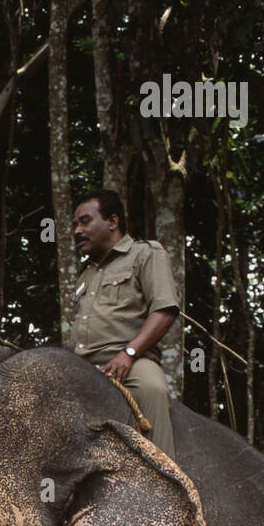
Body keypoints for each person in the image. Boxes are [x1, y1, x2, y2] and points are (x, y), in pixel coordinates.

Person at [66, 189, 180, 459]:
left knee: (153, 388)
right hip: (80, 364)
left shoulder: (144, 254)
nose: (77, 231)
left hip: (129, 363)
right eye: (74, 225)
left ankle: (166, 483)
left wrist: (128, 353)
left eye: (84, 221)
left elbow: (164, 310)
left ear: (112, 222)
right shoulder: (86, 274)